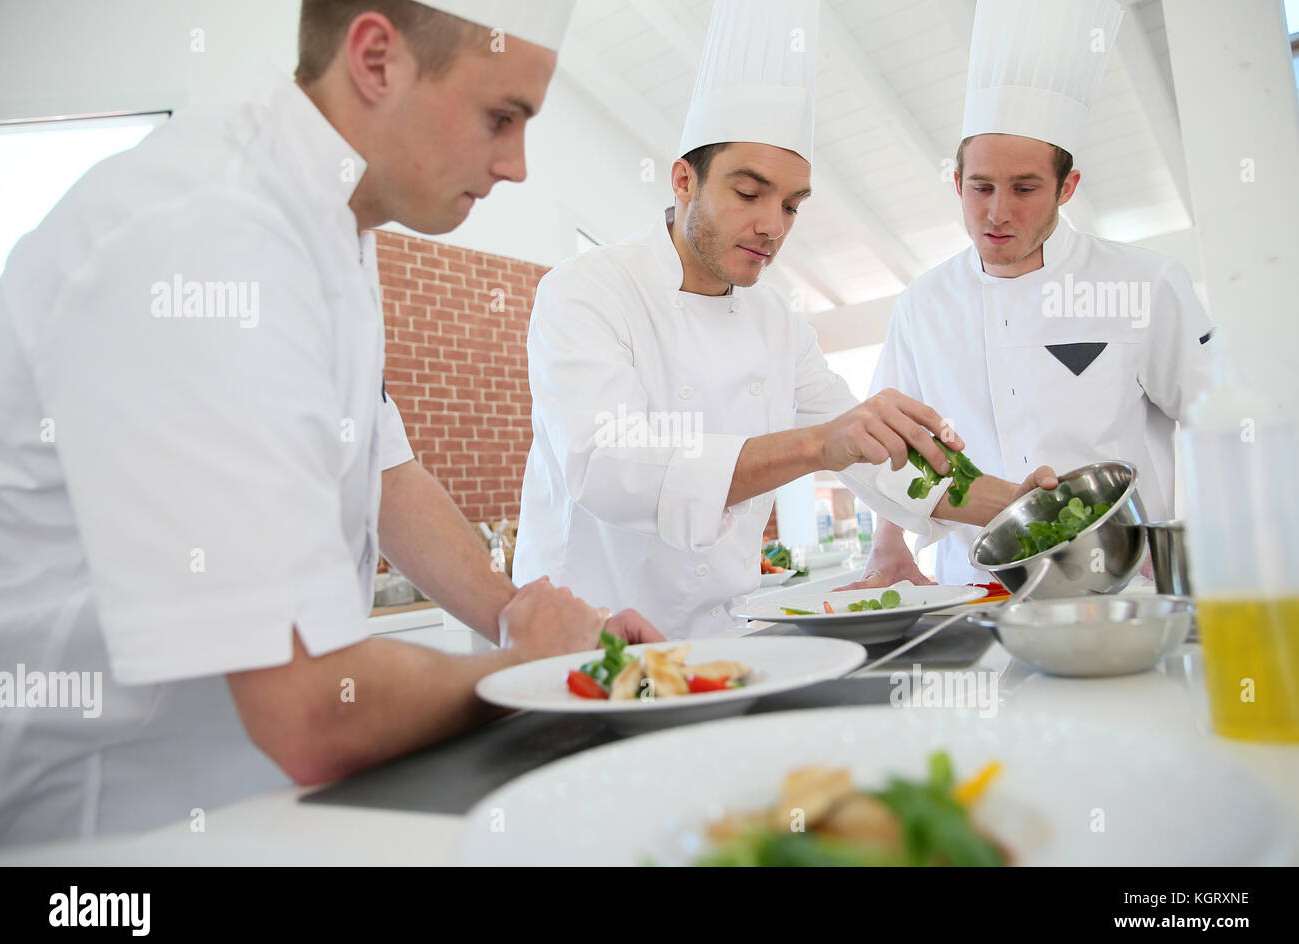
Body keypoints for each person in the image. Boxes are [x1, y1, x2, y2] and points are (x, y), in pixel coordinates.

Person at [0, 0, 664, 847]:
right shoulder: (206, 231)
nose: (518, 165)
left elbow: (388, 475)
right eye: (501, 117)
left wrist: (521, 615)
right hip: (102, 834)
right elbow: (310, 712)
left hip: (256, 806)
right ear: (375, 58)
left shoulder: (334, 223)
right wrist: (530, 669)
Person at [513, 0, 1058, 640]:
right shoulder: (586, 290)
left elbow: (871, 455)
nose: (773, 226)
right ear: (684, 180)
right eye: (749, 193)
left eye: (792, 205)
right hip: (586, 644)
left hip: (723, 643)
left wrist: (1022, 504)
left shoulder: (777, 319)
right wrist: (815, 444)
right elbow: (609, 468)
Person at [861, 0, 1213, 588]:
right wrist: (887, 545)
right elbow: (893, 445)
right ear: (956, 182)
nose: (997, 213)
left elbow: (1221, 424)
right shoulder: (922, 304)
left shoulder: (1144, 283)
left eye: (1025, 189)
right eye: (980, 188)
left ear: (1066, 187)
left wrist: (1194, 545)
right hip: (974, 594)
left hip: (1122, 586)